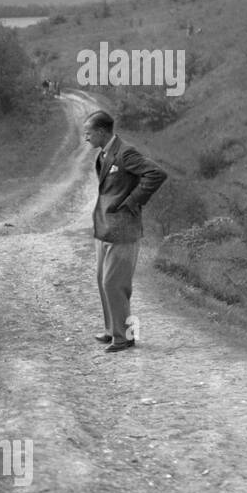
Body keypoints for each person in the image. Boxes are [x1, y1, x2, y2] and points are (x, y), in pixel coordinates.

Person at [82, 110, 166, 353]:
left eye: (88, 133)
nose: (85, 138)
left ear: (100, 132)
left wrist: (133, 201)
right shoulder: (105, 153)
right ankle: (112, 330)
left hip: (123, 230)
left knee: (114, 284)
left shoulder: (125, 152)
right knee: (102, 281)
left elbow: (156, 173)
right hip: (105, 228)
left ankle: (124, 338)